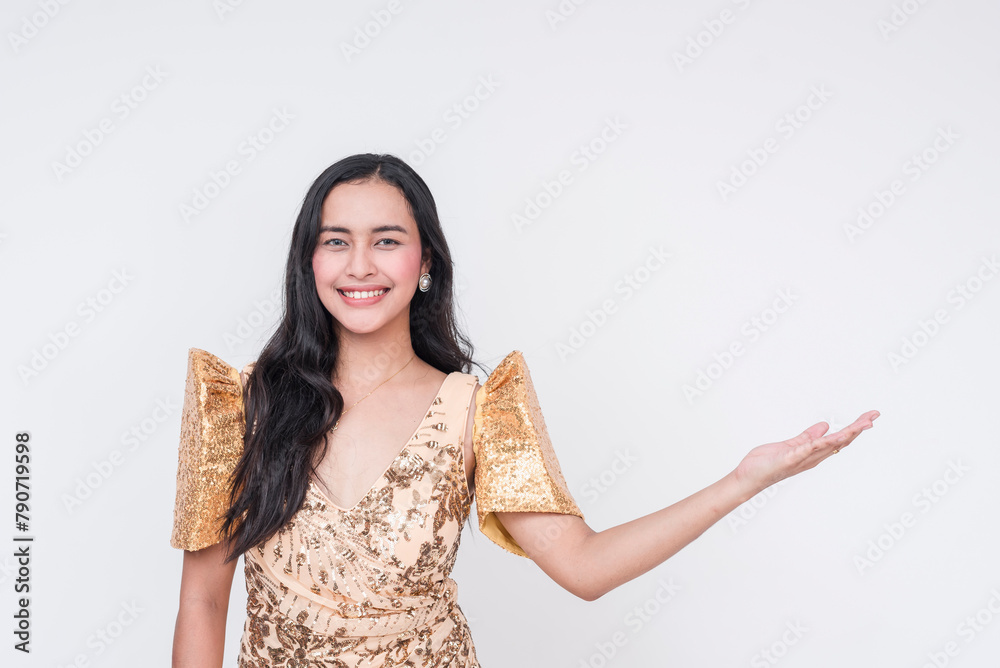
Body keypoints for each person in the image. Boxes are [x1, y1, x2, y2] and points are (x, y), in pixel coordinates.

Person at [170, 153, 879, 667]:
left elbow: (585, 567)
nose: (360, 265)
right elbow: (203, 602)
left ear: (425, 266)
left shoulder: (478, 409)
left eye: (386, 241)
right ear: (310, 263)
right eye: (336, 242)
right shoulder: (240, 402)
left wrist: (742, 481)